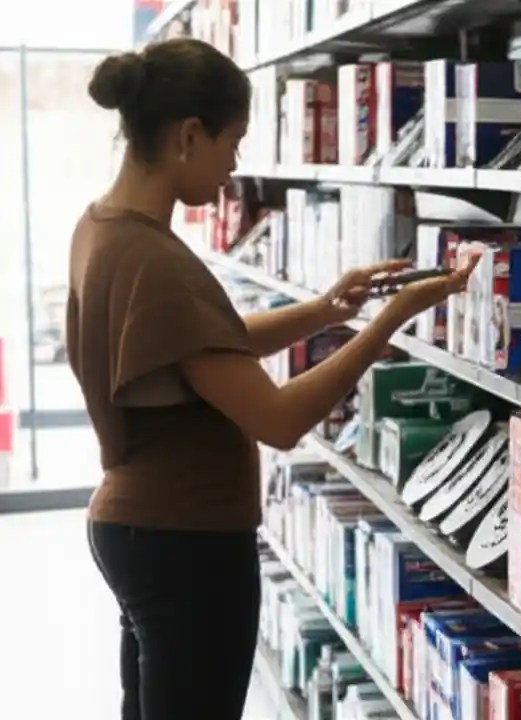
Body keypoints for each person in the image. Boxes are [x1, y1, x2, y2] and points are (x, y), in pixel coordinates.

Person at [68, 38, 475, 720]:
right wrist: (386, 327)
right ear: (188, 136)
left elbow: (199, 351)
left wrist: (327, 310)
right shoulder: (155, 260)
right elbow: (280, 421)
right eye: (233, 143)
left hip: (141, 529)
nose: (233, 168)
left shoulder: (103, 228)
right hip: (185, 541)